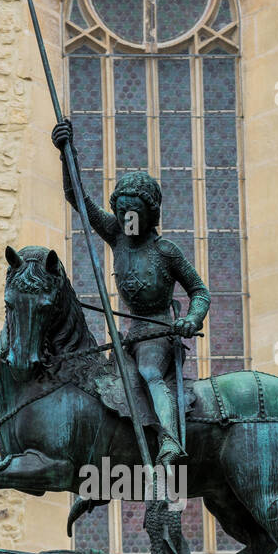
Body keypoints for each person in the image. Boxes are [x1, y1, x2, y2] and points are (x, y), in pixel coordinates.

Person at [51, 117, 210, 467]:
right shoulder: (115, 235)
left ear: (148, 213)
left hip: (157, 334)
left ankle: (170, 441)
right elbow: (77, 197)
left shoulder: (166, 251)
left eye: (133, 212)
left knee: (151, 375)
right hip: (128, 337)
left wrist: (190, 319)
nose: (126, 219)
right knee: (103, 389)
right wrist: (67, 153)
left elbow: (199, 291)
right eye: (121, 212)